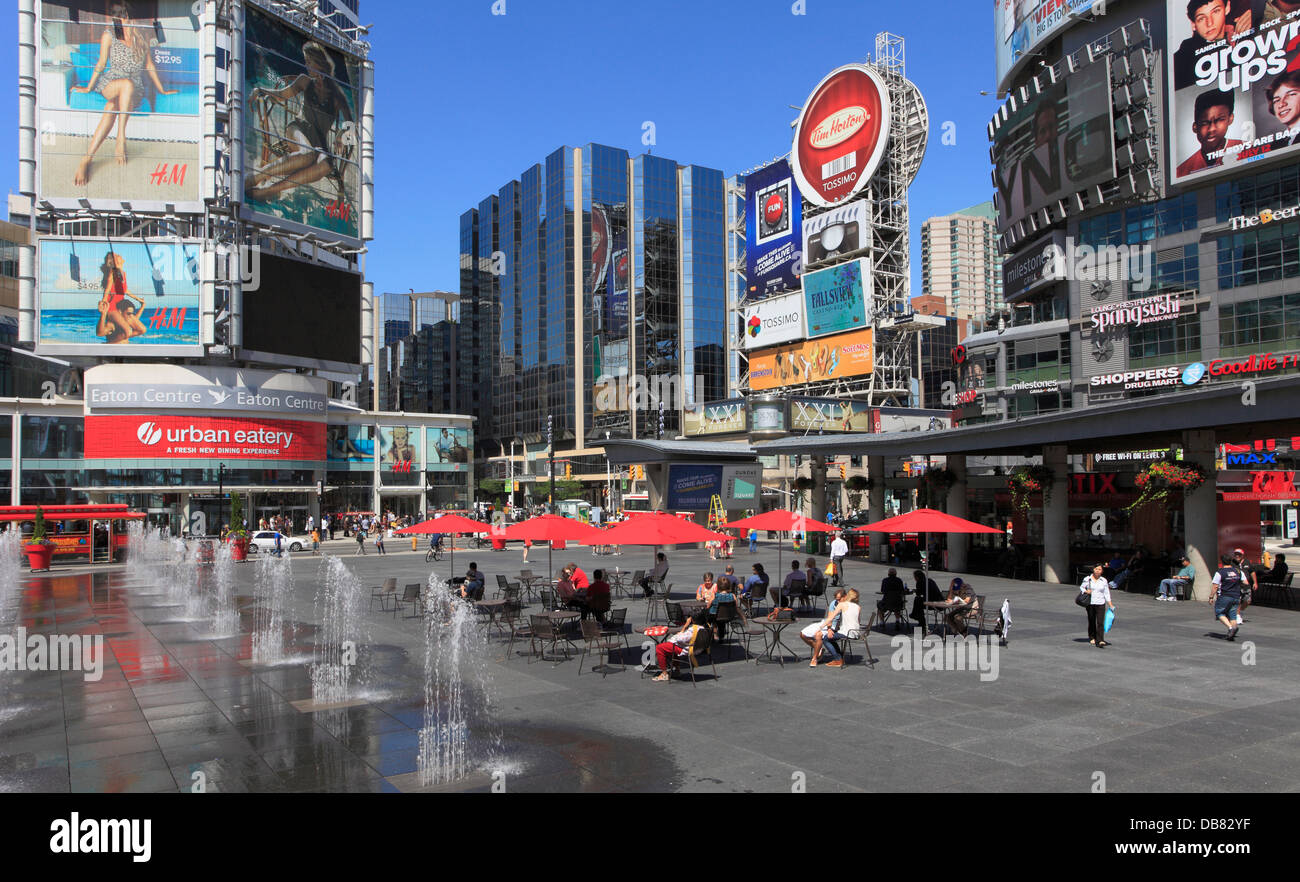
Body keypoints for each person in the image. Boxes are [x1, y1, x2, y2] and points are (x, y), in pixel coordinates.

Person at [70, 1, 180, 187]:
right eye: (116, 18)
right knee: (125, 85)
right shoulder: (109, 35)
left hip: (134, 89)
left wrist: (162, 90)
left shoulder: (142, 38)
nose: (119, 21)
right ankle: (121, 137)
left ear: (129, 17)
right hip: (112, 82)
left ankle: (87, 158)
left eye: (122, 17)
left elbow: (149, 66)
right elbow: (101, 64)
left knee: (112, 106)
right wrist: (88, 88)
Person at [247, 40, 354, 206]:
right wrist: (261, 90)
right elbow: (282, 95)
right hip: (297, 129)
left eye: (309, 62)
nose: (307, 66)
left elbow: (350, 123)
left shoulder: (337, 94)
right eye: (306, 62)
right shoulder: (304, 81)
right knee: (307, 154)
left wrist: (341, 133)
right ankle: (257, 176)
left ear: (319, 63)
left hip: (319, 142)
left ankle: (270, 190)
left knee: (326, 164)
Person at [1173, 1, 1251, 90]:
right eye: (1201, 18)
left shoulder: (1243, 30)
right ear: (1193, 24)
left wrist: (1257, 15)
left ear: (1227, 8)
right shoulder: (1186, 53)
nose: (1209, 23)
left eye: (1216, 11)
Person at [1176, 89, 1244, 178]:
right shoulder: (1181, 172)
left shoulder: (1248, 149)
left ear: (1230, 119)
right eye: (1205, 123)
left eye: (1220, 120)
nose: (1211, 129)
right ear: (1195, 127)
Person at [806, 589, 862, 668]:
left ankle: (838, 659)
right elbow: (858, 621)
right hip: (856, 632)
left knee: (826, 638)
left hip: (847, 632)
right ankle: (839, 657)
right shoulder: (858, 607)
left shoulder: (842, 605)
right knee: (831, 637)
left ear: (847, 596)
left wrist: (820, 627)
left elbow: (830, 618)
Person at [651, 616, 704, 682]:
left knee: (660, 647)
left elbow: (679, 639)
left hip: (688, 649)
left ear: (692, 620)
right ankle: (677, 670)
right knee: (670, 646)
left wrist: (685, 627)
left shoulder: (693, 630)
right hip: (698, 649)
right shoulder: (705, 628)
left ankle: (664, 674)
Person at [1211, 553, 1247, 640]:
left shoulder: (1220, 572)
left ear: (1222, 562)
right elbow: (1246, 582)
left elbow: (1215, 586)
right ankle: (1233, 629)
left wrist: (1211, 596)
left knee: (1219, 612)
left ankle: (1231, 628)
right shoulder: (1238, 571)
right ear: (1231, 561)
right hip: (1236, 596)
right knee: (1232, 615)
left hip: (1225, 595)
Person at [801, 589, 846, 654]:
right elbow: (829, 618)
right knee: (803, 634)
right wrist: (828, 629)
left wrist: (830, 629)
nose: (838, 601)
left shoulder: (848, 605)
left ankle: (817, 657)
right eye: (837, 599)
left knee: (818, 635)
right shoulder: (833, 603)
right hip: (827, 623)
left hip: (836, 627)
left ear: (845, 597)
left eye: (839, 599)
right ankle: (819, 649)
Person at [1080, 565, 1114, 648]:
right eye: (1096, 569)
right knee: (1091, 620)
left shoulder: (1104, 580)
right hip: (1090, 603)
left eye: (1099, 569)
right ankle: (1092, 636)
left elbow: (1106, 593)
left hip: (1100, 603)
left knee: (1100, 622)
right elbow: (1081, 587)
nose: (1098, 571)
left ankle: (1100, 640)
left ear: (1102, 571)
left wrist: (1110, 603)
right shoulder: (1087, 579)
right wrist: (1086, 591)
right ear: (1093, 570)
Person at [911, 569, 942, 635]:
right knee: (918, 603)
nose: (914, 578)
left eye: (914, 577)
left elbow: (919, 594)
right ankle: (918, 619)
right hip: (939, 601)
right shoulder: (930, 580)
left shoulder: (919, 582)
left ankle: (921, 622)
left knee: (918, 600)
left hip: (932, 603)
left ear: (917, 577)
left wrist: (916, 591)